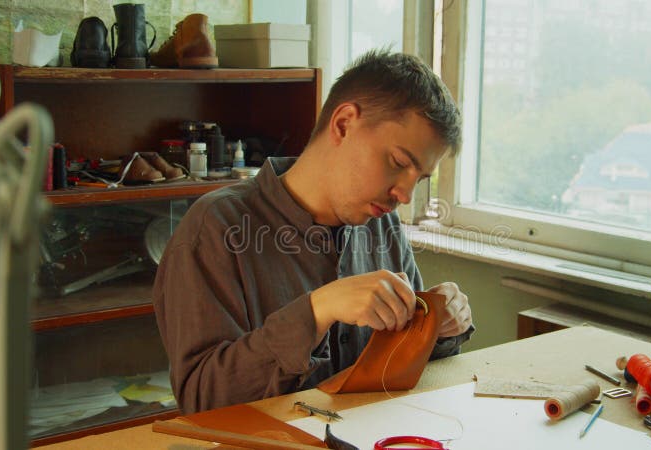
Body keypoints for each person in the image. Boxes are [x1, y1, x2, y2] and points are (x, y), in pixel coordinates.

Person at [153, 49, 474, 414]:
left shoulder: (380, 222)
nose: (405, 195)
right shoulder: (215, 228)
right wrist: (318, 310)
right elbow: (202, 402)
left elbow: (398, 360)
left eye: (421, 179)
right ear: (343, 124)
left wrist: (438, 326)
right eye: (399, 163)